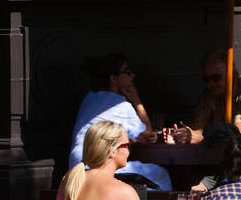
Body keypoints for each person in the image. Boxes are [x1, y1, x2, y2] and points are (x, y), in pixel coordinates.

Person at [69, 54, 171, 191]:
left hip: (77, 166)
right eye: (127, 72)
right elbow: (147, 133)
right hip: (99, 166)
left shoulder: (90, 98)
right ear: (113, 79)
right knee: (160, 175)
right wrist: (136, 99)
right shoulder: (118, 104)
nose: (132, 75)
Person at [185, 50, 241, 142]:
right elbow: (197, 127)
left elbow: (238, 132)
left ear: (233, 76)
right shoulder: (209, 94)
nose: (210, 84)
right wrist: (184, 135)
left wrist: (201, 137)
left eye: (216, 78)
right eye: (206, 80)